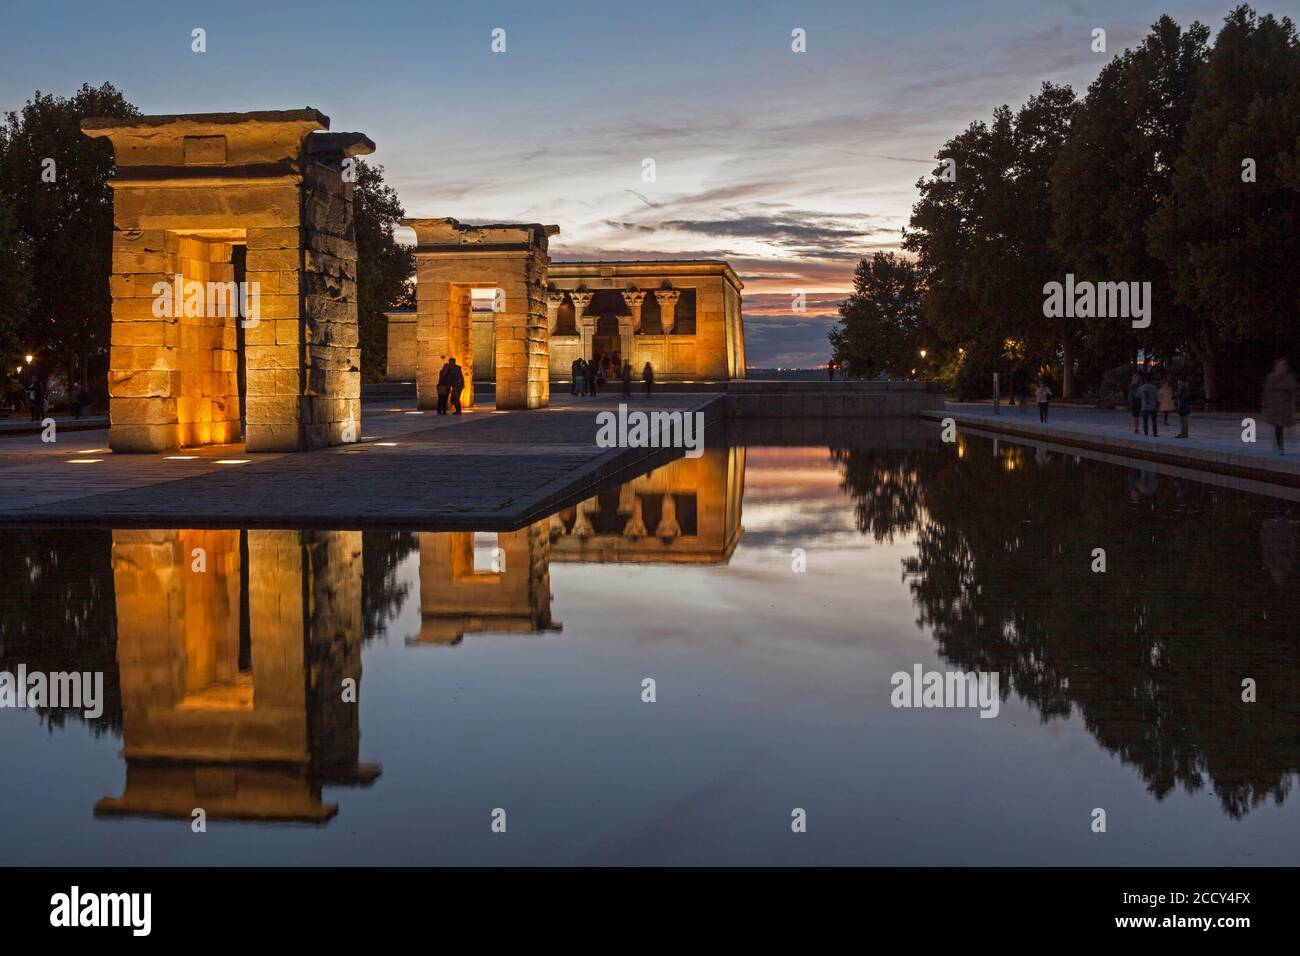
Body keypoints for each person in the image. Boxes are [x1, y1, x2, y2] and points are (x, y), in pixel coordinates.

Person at [1261, 358, 1297, 455]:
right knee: (1278, 426)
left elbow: (1294, 392)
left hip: (1285, 406)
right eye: (1281, 365)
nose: (1282, 368)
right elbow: (1267, 391)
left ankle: (1280, 445)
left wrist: (1293, 403)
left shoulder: (1289, 378)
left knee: (1284, 426)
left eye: (1284, 365)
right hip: (1275, 406)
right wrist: (1266, 404)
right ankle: (1280, 446)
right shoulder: (1272, 377)